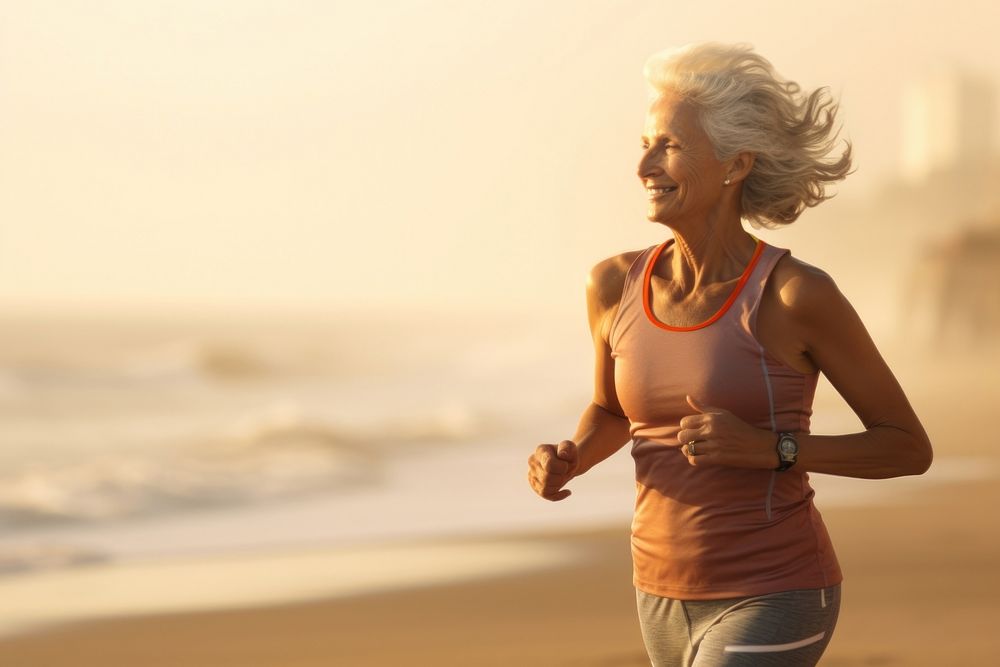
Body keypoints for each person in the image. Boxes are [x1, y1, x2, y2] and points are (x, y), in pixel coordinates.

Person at [526, 42, 933, 666]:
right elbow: (612, 412)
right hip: (657, 592)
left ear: (735, 164)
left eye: (669, 145)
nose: (644, 164)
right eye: (644, 143)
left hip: (778, 587)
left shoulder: (796, 296)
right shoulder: (612, 286)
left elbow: (906, 445)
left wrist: (774, 450)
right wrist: (571, 457)